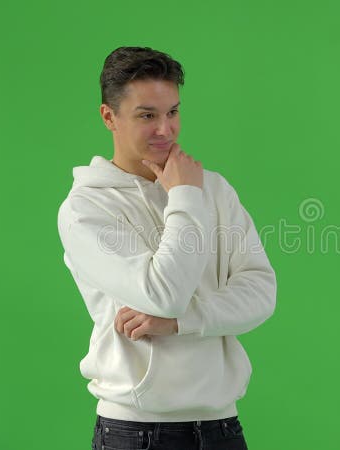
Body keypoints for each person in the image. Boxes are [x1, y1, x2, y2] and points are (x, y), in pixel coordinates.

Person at [56, 46, 277, 450]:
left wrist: (180, 323)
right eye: (147, 115)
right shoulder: (85, 209)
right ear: (109, 117)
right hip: (136, 431)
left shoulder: (213, 189)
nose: (165, 129)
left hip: (222, 425)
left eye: (172, 112)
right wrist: (186, 198)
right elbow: (165, 293)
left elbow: (261, 291)